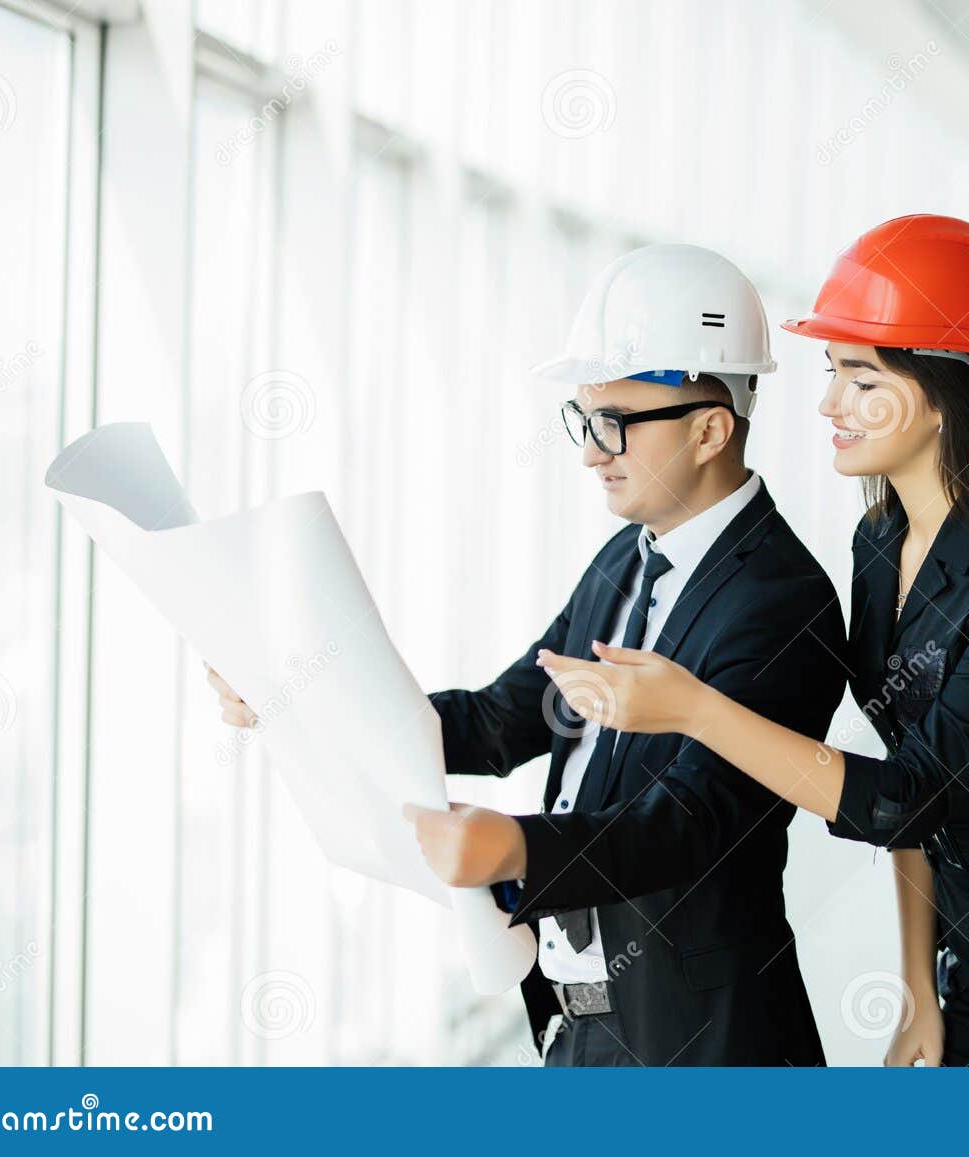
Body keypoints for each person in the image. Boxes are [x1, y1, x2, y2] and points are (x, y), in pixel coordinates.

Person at [537, 215, 969, 1066]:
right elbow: (916, 791)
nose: (829, 403)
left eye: (862, 379)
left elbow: (905, 797)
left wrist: (697, 710)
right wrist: (917, 991)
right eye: (832, 373)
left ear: (944, 390)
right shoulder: (881, 543)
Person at [210, 243, 846, 1066]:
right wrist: (298, 700)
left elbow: (690, 823)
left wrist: (520, 848)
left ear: (710, 430)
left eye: (613, 424)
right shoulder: (627, 561)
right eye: (584, 421)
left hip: (702, 1042)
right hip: (581, 1028)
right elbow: (507, 718)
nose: (590, 452)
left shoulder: (781, 599)